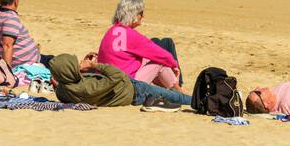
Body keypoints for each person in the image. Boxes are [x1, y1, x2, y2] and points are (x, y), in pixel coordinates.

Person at [98, 0, 184, 90]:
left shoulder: (110, 31)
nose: (143, 16)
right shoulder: (130, 34)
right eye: (141, 13)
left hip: (110, 82)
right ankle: (179, 92)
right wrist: (174, 65)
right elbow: (162, 55)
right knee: (161, 60)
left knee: (154, 49)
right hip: (126, 86)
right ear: (133, 15)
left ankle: (170, 89)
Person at [50, 52, 189, 109]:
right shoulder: (87, 87)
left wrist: (80, 71)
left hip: (128, 89)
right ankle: (195, 100)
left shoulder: (64, 89)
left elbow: (66, 86)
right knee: (177, 97)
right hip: (136, 91)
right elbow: (118, 75)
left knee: (171, 94)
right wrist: (94, 65)